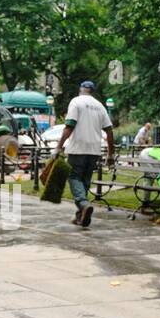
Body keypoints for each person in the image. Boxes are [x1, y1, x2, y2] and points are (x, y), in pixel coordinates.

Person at [56, 80, 116, 228]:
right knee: (84, 182)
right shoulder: (100, 106)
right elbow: (109, 131)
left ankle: (83, 204)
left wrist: (58, 147)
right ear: (92, 91)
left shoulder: (76, 102)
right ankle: (80, 216)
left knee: (74, 177)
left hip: (78, 149)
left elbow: (69, 126)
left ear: (80, 89)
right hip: (94, 151)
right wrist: (110, 154)